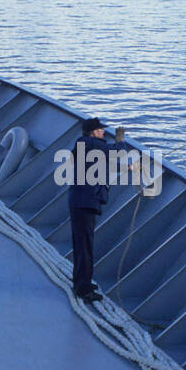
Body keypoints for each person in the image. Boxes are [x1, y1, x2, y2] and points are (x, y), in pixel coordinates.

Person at [68, 117, 122, 302]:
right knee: (85, 246)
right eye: (100, 130)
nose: (103, 133)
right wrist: (120, 142)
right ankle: (83, 290)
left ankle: (80, 281)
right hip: (85, 203)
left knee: (80, 244)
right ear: (93, 132)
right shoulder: (91, 143)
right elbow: (114, 153)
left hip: (78, 201)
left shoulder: (84, 145)